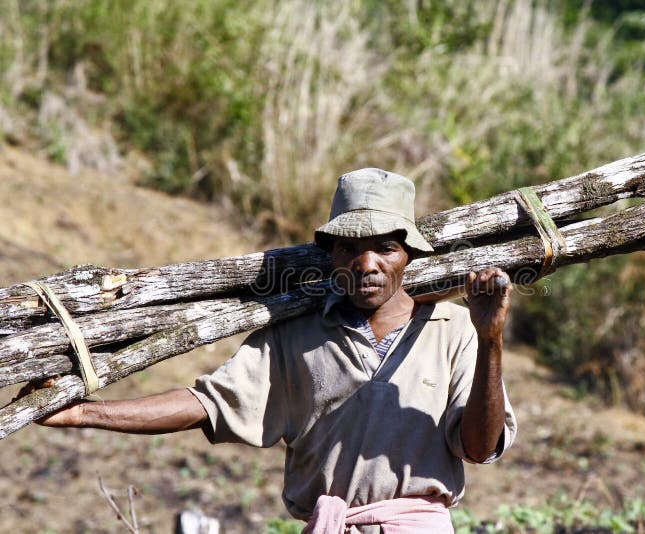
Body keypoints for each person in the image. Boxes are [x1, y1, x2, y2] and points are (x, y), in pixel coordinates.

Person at [29, 168, 517, 533]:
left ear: (408, 253)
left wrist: (490, 339)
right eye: (350, 249)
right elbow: (207, 404)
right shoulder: (294, 335)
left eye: (385, 248)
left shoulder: (455, 330)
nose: (366, 264)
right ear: (331, 255)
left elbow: (478, 447)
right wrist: (85, 415)